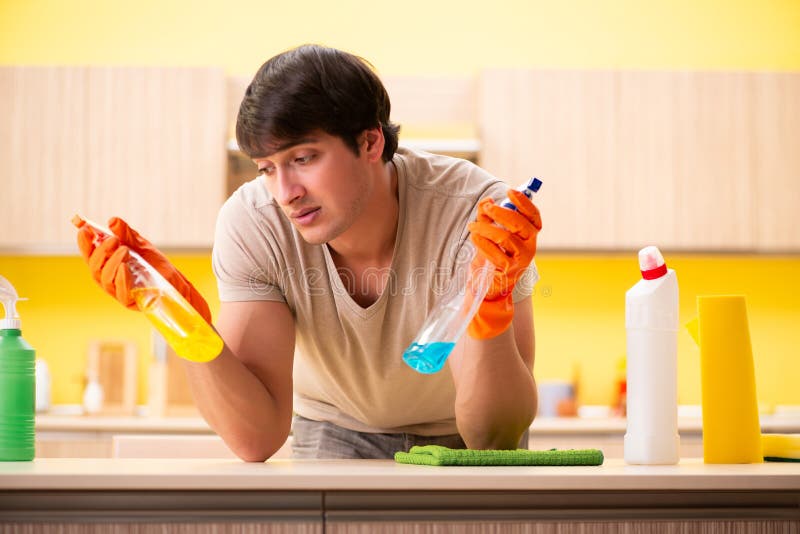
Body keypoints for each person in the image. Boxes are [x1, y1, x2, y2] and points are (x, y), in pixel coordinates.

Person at [76, 44, 542, 461]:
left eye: (303, 159)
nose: (286, 193)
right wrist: (178, 319)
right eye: (266, 168)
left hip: (459, 441)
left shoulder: (479, 217)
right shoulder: (255, 222)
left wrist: (489, 300)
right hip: (335, 432)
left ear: (369, 141)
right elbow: (255, 438)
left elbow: (493, 436)